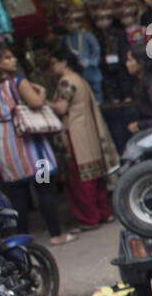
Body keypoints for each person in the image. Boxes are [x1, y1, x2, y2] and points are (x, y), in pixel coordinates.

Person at [0, 45, 73, 244]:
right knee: (45, 188)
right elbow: (36, 103)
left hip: (5, 148)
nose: (13, 60)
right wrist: (42, 91)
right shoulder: (18, 82)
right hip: (33, 149)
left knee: (18, 195)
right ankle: (56, 234)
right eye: (7, 58)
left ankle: (22, 241)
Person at [46, 48, 118, 229]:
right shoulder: (81, 80)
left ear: (63, 62)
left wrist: (41, 101)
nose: (51, 67)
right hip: (89, 133)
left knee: (80, 180)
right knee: (95, 177)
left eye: (53, 63)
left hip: (75, 135)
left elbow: (61, 108)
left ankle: (89, 218)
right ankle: (104, 213)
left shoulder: (66, 81)